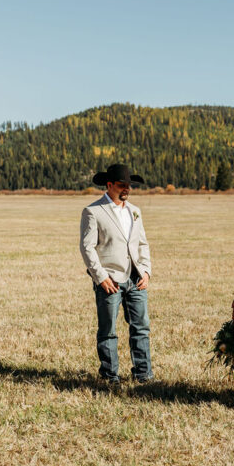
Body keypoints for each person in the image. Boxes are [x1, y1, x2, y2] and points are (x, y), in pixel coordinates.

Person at [79, 164, 153, 384]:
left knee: (141, 327)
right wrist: (101, 277)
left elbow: (143, 243)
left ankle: (143, 374)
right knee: (108, 330)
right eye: (122, 185)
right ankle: (110, 376)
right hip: (109, 280)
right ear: (109, 185)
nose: (127, 189)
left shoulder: (135, 211)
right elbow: (87, 247)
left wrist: (146, 270)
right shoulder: (93, 211)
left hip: (136, 279)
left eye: (129, 185)